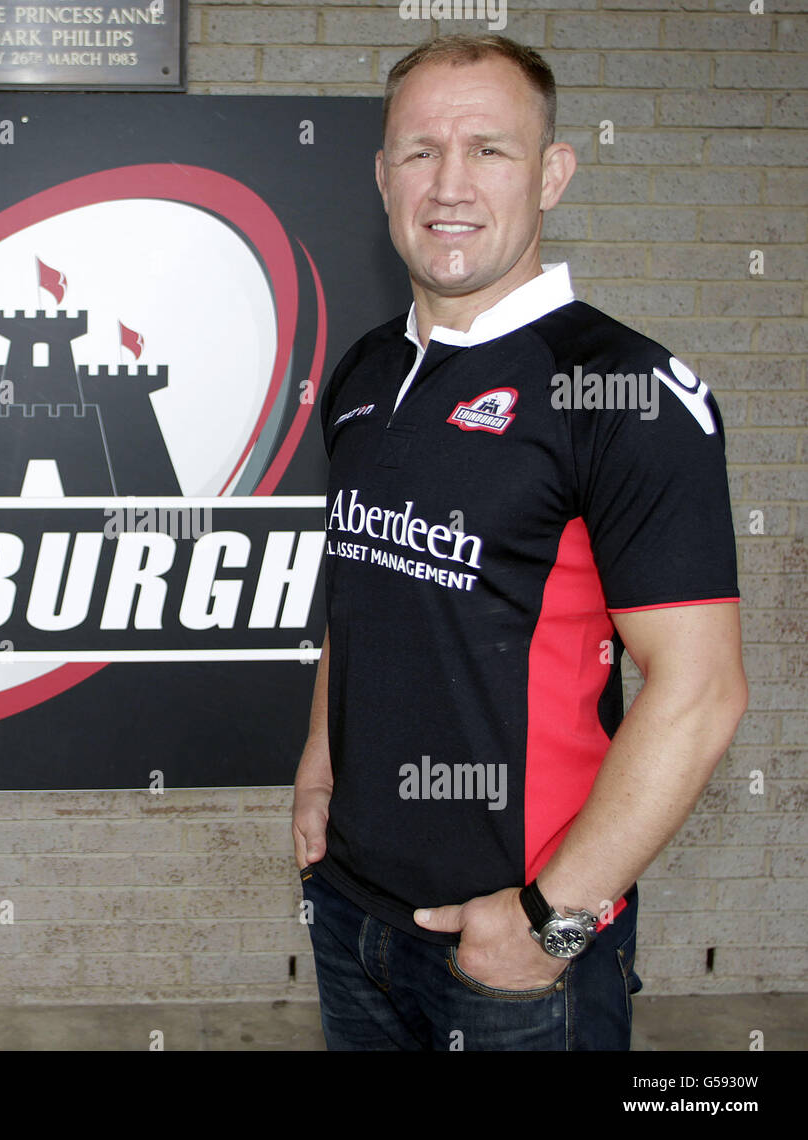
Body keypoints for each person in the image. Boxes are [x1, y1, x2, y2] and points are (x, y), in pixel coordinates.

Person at [293, 33, 748, 1051]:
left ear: (551, 174)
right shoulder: (367, 373)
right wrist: (320, 768)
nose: (448, 184)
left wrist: (550, 924)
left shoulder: (625, 393)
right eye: (419, 151)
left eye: (488, 150)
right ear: (380, 174)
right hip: (353, 917)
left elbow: (702, 692)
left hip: (510, 956)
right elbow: (361, 592)